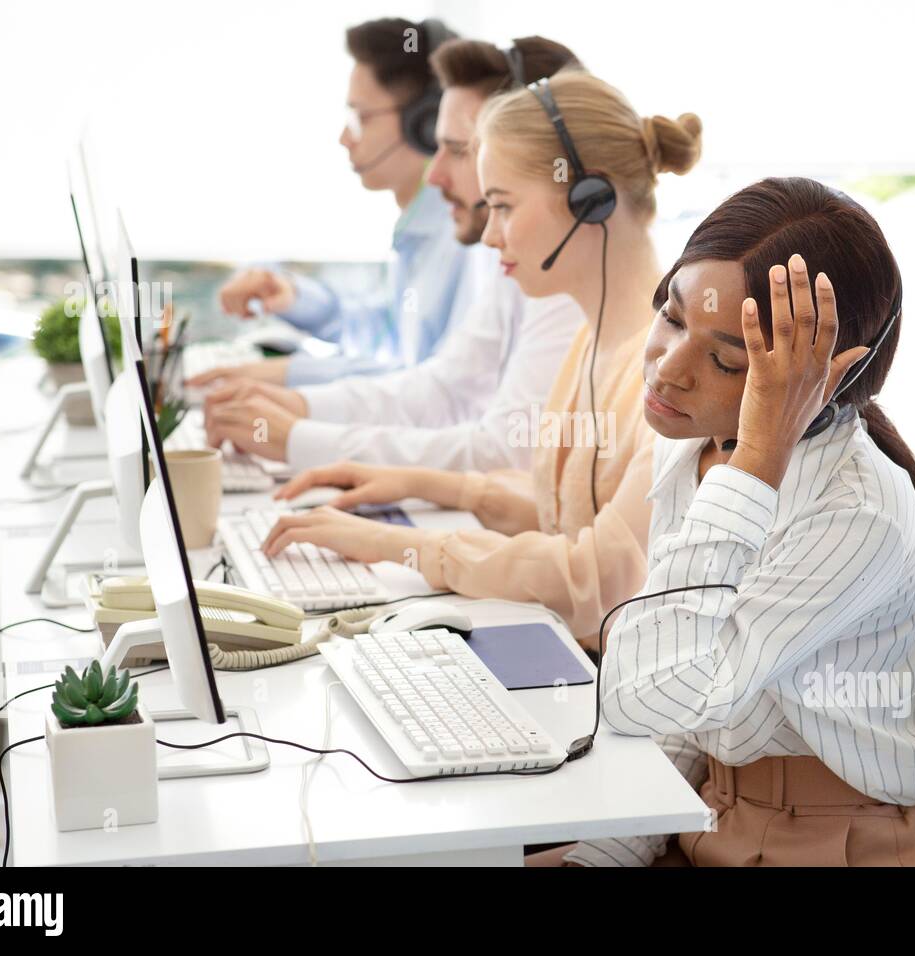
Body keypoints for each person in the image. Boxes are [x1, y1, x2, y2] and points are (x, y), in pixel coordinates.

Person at [528, 177, 915, 866]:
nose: (668, 370)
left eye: (728, 360)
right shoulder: (696, 451)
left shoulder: (853, 512)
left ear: (829, 379)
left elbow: (650, 696)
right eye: (671, 317)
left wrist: (762, 449)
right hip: (713, 820)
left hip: (842, 846)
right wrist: (603, 856)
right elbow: (677, 719)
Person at [258, 72, 703, 651]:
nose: (490, 236)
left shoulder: (668, 370)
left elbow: (596, 577)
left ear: (589, 201)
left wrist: (400, 547)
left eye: (504, 207)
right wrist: (427, 485)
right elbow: (567, 514)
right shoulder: (591, 337)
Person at [194, 38, 587, 473]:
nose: (434, 174)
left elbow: (502, 449)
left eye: (459, 150)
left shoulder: (559, 278)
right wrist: (299, 406)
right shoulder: (514, 260)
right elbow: (442, 387)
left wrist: (301, 435)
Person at [196, 17, 473, 388]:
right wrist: (294, 298)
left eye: (360, 117)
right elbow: (385, 336)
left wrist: (286, 375)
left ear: (424, 123)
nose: (345, 137)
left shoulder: (466, 238)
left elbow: (434, 386)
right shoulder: (419, 229)